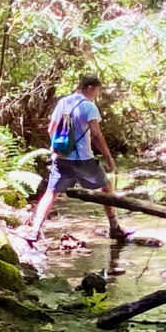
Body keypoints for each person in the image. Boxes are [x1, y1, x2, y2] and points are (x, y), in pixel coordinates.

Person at [29, 71, 131, 246]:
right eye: (97, 92)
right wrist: (108, 157)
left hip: (61, 158)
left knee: (51, 193)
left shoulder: (62, 103)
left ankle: (34, 231)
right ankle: (114, 226)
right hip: (83, 158)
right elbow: (97, 135)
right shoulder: (88, 106)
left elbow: (50, 129)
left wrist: (61, 146)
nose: (96, 96)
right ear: (90, 88)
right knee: (106, 186)